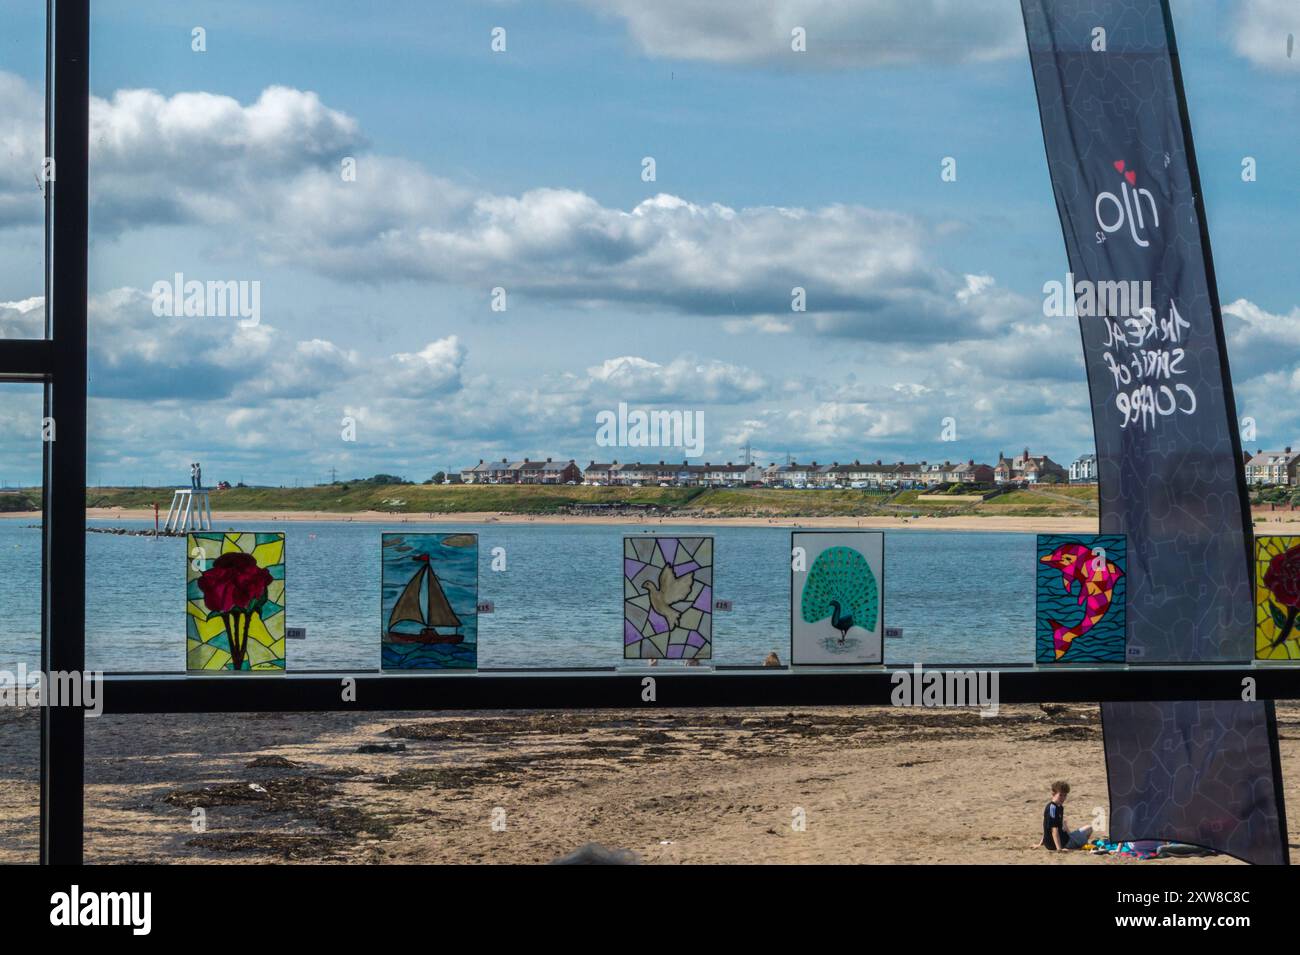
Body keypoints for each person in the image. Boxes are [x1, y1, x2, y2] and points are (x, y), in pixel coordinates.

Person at [1040, 780, 1092, 851]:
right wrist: (1059, 849)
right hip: (1063, 843)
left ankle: (1079, 844)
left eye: (1065, 795)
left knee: (1067, 825)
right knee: (1089, 828)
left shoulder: (1059, 807)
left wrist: (1041, 843)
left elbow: (1046, 826)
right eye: (1060, 795)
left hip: (1060, 840)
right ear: (1053, 794)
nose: (1063, 798)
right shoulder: (1053, 808)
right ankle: (1079, 846)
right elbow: (1053, 829)